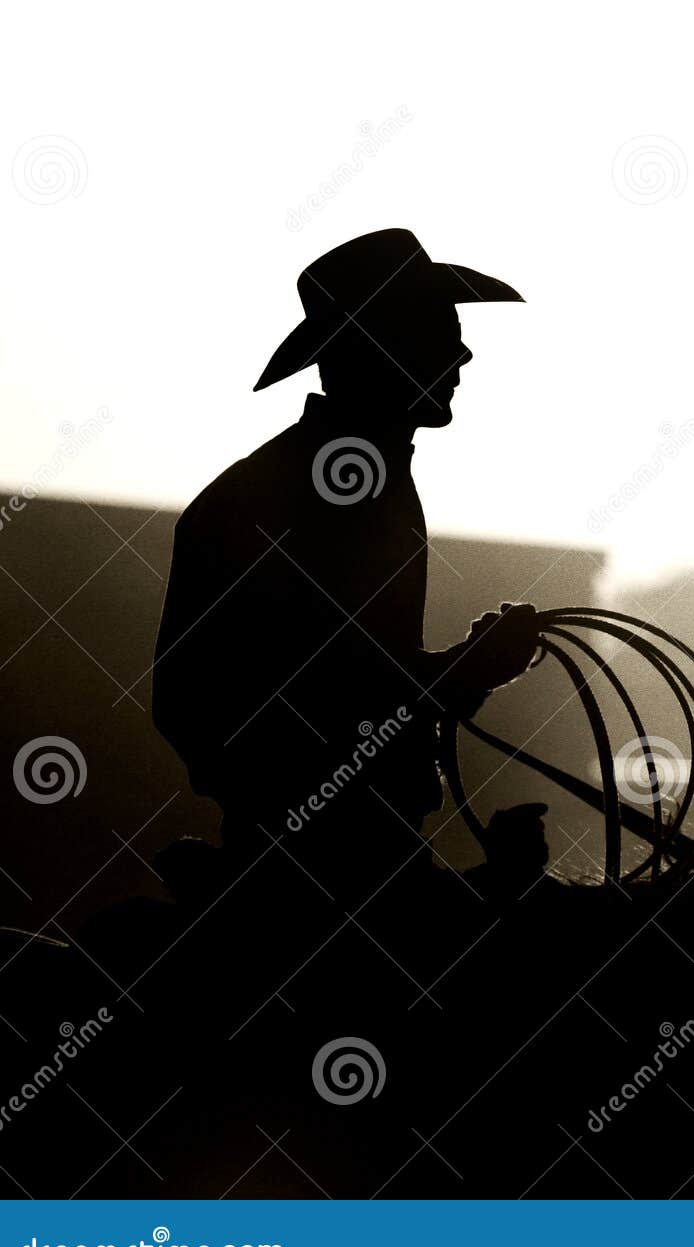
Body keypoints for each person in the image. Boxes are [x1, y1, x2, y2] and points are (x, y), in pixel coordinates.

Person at [152, 229, 545, 900]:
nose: (463, 353)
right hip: (323, 870)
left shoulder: (336, 480)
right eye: (438, 332)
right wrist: (468, 668)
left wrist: (461, 669)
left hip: (342, 849)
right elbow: (336, 690)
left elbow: (356, 678)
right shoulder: (315, 494)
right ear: (383, 350)